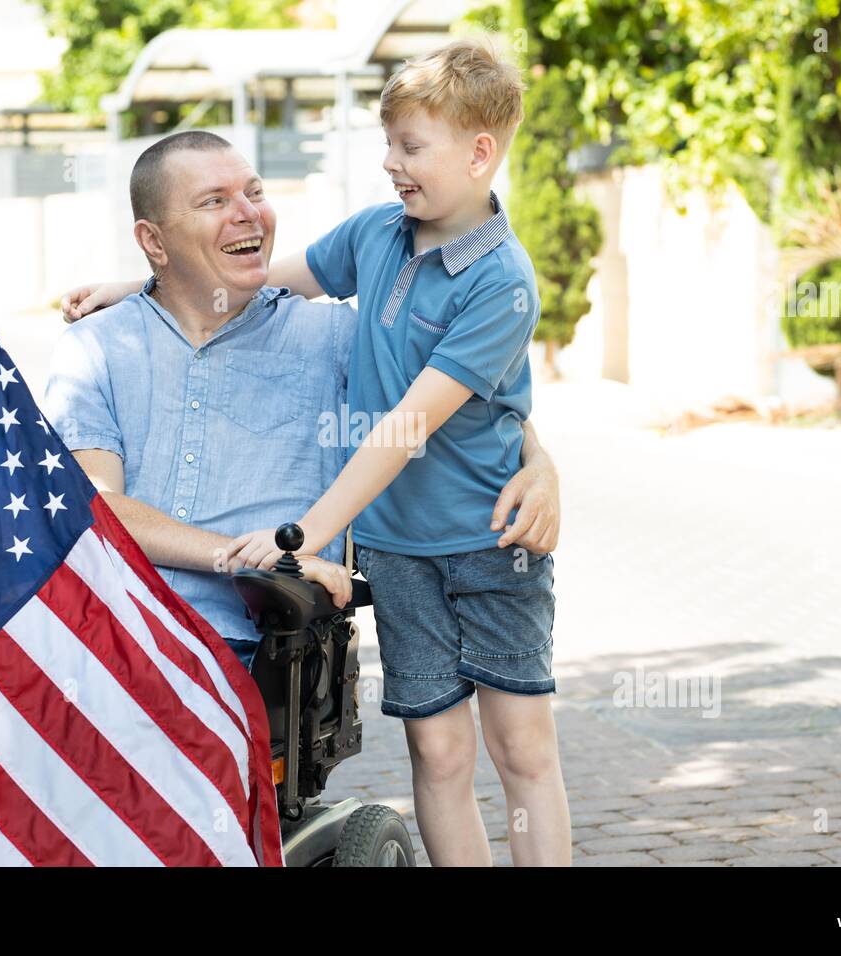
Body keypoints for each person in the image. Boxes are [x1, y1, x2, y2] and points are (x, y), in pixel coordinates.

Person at [60, 40, 570, 867]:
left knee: (522, 750)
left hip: (461, 554)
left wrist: (536, 458)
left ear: (479, 153)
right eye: (391, 144)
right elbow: (281, 283)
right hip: (373, 563)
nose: (391, 164)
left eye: (411, 147)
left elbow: (418, 414)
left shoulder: (453, 295)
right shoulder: (373, 238)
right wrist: (135, 290)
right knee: (438, 757)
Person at [44, 127, 561, 683]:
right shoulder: (96, 346)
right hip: (115, 636)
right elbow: (96, 506)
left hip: (259, 651)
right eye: (214, 201)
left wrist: (539, 463)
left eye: (255, 192)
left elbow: (451, 401)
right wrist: (254, 558)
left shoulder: (334, 338)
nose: (248, 213)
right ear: (153, 241)